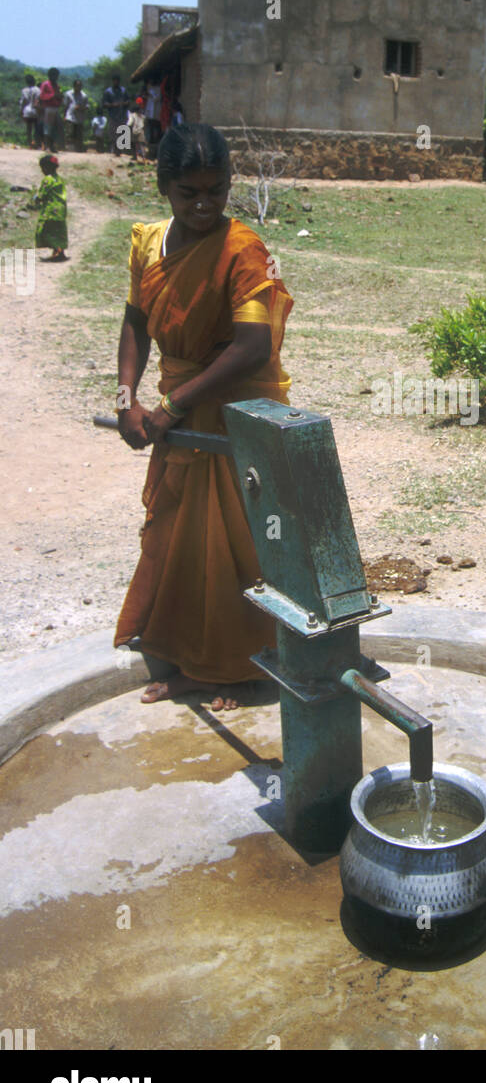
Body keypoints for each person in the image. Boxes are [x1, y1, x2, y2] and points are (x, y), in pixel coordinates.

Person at [114, 123, 294, 711]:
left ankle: (243, 668)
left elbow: (252, 346)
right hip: (179, 406)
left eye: (215, 191)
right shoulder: (148, 243)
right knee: (182, 532)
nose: (202, 204)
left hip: (232, 410)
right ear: (164, 186)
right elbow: (137, 323)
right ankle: (193, 657)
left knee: (236, 539)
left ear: (229, 185)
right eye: (188, 192)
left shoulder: (242, 249)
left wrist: (171, 406)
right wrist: (126, 398)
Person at [33, 154, 69, 260]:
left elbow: (42, 195)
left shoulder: (47, 179)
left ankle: (57, 251)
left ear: (46, 167)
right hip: (61, 209)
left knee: (48, 230)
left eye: (42, 168)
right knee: (59, 231)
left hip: (51, 209)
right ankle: (60, 252)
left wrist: (35, 199)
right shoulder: (59, 179)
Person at [103, 73, 129, 155]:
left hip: (122, 115)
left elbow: (128, 101)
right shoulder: (108, 91)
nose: (116, 82)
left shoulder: (123, 90)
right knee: (113, 133)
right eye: (115, 81)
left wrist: (124, 103)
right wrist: (113, 105)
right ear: (113, 81)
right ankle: (113, 150)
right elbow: (104, 104)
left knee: (122, 132)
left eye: (117, 81)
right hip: (112, 115)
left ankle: (121, 151)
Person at [39, 68, 63, 153]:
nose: (55, 77)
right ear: (49, 75)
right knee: (47, 127)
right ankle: (46, 146)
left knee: (55, 128)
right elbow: (41, 96)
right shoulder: (45, 84)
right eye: (54, 75)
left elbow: (59, 97)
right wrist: (52, 96)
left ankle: (52, 145)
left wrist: (60, 97)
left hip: (55, 108)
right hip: (48, 107)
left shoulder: (57, 85)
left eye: (56, 76)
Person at [63, 79, 89, 152]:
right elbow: (65, 106)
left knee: (78, 134)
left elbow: (87, 106)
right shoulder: (68, 94)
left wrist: (81, 108)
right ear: (74, 86)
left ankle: (78, 149)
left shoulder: (84, 96)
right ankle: (69, 148)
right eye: (77, 86)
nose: (78, 87)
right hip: (70, 116)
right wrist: (64, 116)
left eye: (80, 86)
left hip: (79, 117)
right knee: (69, 132)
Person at [20, 74, 42, 149]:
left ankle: (29, 143)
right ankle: (36, 143)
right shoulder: (38, 90)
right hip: (35, 110)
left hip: (27, 110)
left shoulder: (24, 90)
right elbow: (38, 100)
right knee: (36, 128)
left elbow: (23, 102)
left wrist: (21, 111)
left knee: (28, 128)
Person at [128, 97, 147, 161]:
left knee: (133, 144)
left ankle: (134, 156)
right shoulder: (142, 116)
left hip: (134, 131)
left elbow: (130, 123)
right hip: (141, 131)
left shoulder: (132, 115)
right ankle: (144, 157)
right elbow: (145, 122)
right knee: (142, 144)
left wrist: (127, 126)